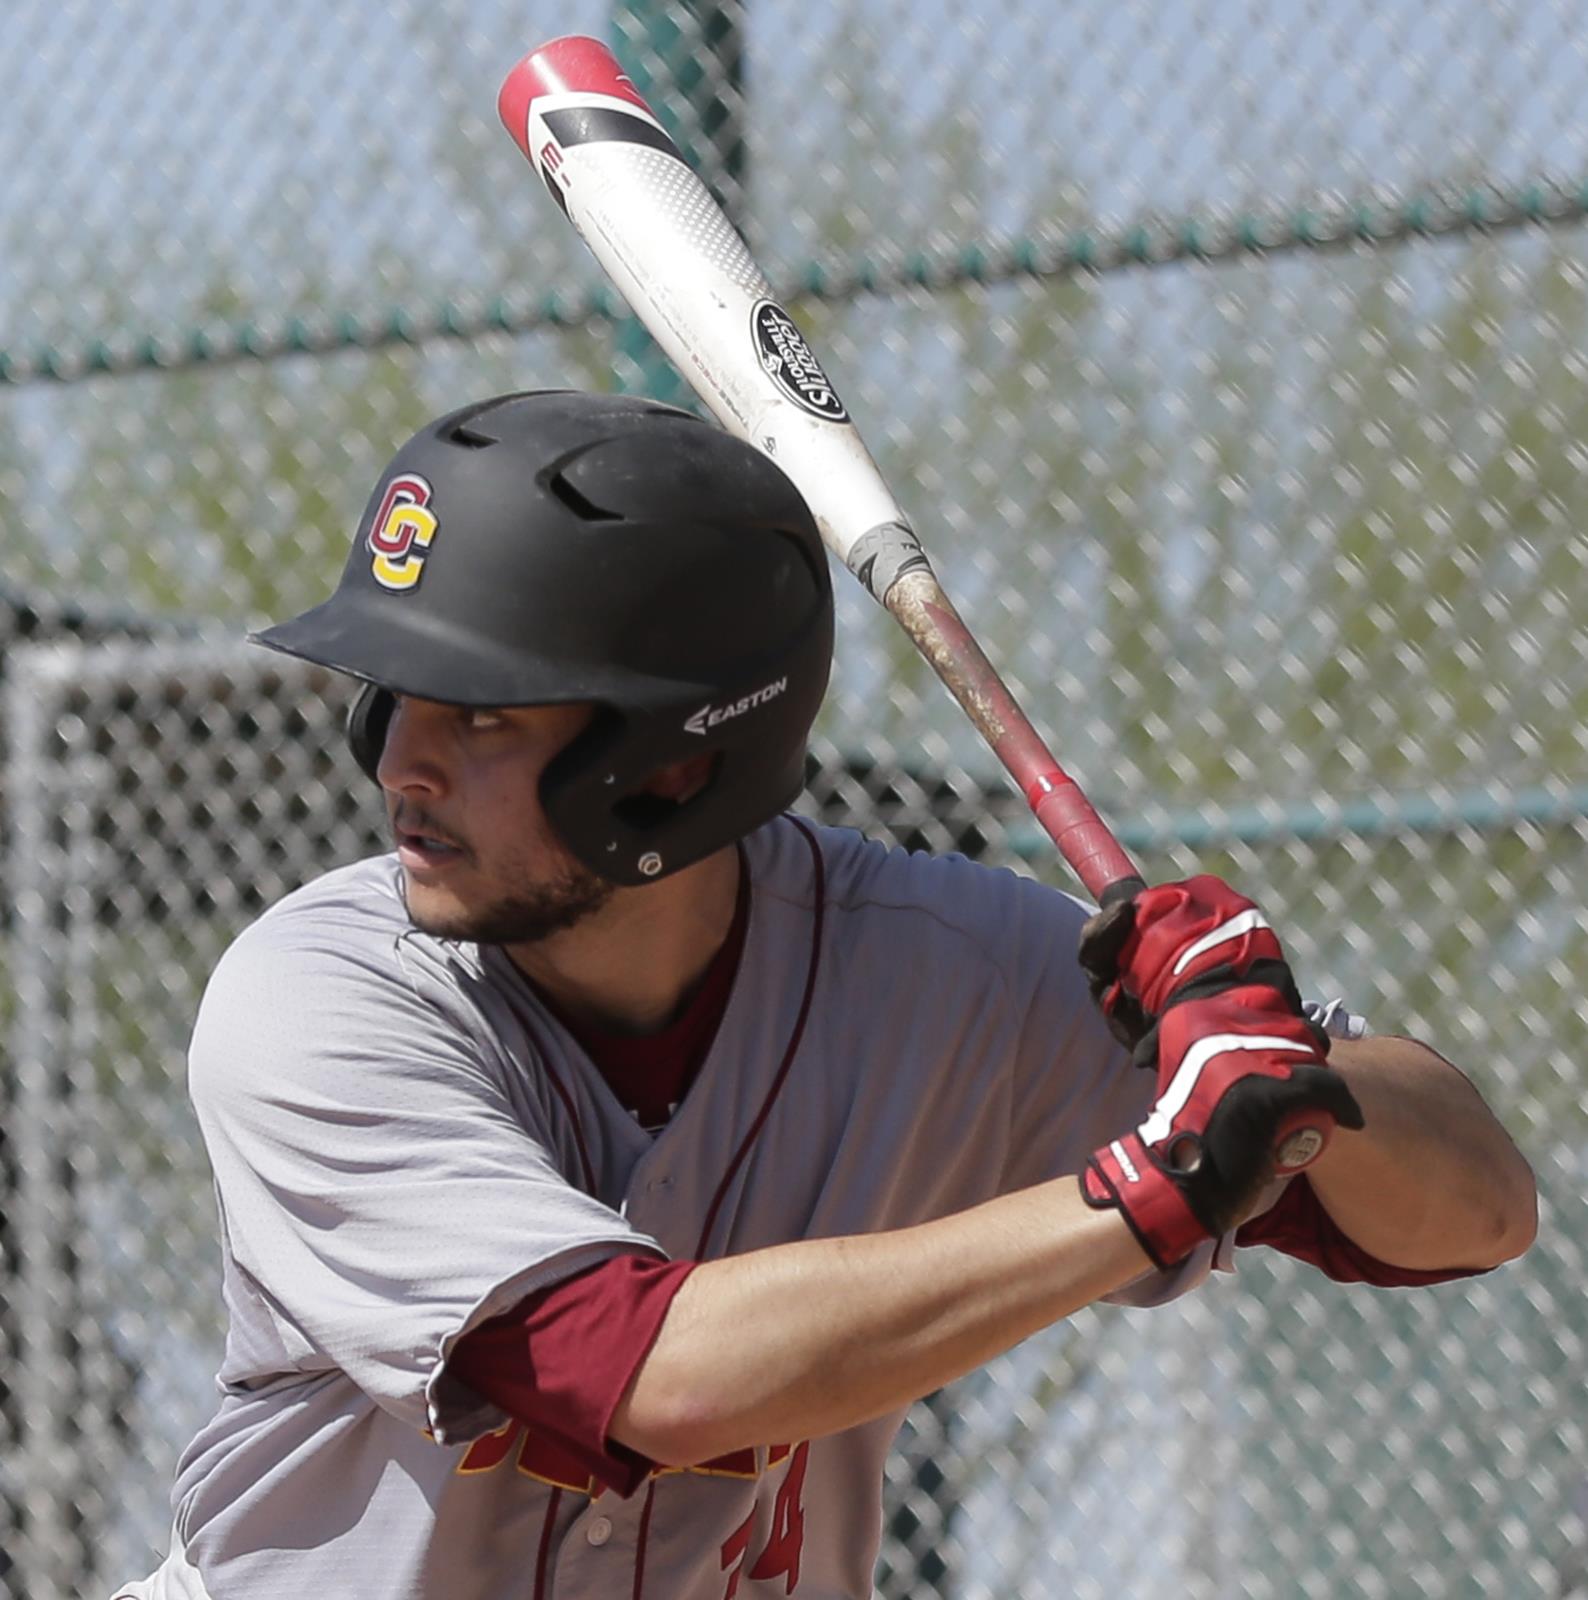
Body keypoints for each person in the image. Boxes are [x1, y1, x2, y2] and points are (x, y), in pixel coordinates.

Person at [115, 390, 1536, 1600]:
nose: (399, 763)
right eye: (393, 695)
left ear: (675, 764)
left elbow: (1475, 1216)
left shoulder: (939, 966)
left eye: (479, 712)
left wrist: (1286, 1072)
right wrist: (1149, 1189)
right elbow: (653, 1376)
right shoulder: (321, 998)